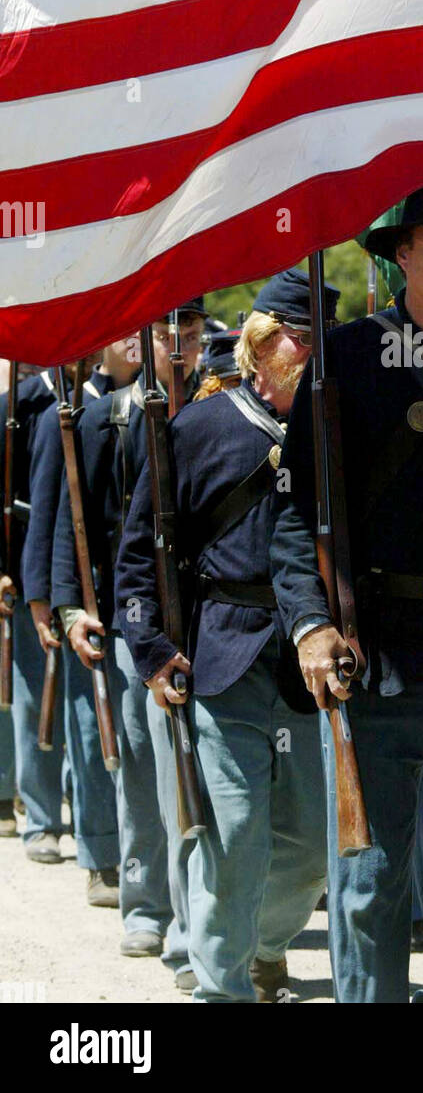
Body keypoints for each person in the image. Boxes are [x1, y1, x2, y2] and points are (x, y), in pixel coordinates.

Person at [271, 183, 423, 1003]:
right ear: (400, 258)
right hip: (371, 647)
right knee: (371, 876)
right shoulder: (343, 359)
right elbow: (295, 514)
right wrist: (310, 625)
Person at [116, 271, 333, 1003]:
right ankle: (222, 986)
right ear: (262, 341)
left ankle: (262, 946)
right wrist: (149, 648)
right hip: (221, 649)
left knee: (308, 848)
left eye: (321, 340)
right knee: (233, 833)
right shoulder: (199, 426)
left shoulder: (334, 427)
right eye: (301, 339)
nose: (311, 354)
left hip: (307, 661)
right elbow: (142, 551)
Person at [52, 303, 206, 984]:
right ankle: (147, 907)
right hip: (132, 619)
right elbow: (72, 517)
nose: (178, 344)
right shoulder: (106, 417)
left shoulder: (222, 409)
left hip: (217, 620)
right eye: (167, 330)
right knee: (142, 770)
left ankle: (207, 915)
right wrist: (69, 606)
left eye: (191, 331)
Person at [23, 344, 138, 903]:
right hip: (89, 596)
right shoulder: (65, 412)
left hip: (139, 593)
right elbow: (47, 513)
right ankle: (99, 853)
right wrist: (45, 596)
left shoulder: (159, 402)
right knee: (93, 729)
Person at [0, 366, 75, 865]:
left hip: (91, 563)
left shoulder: (109, 396)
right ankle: (42, 820)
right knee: (35, 696)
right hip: (29, 558)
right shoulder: (18, 404)